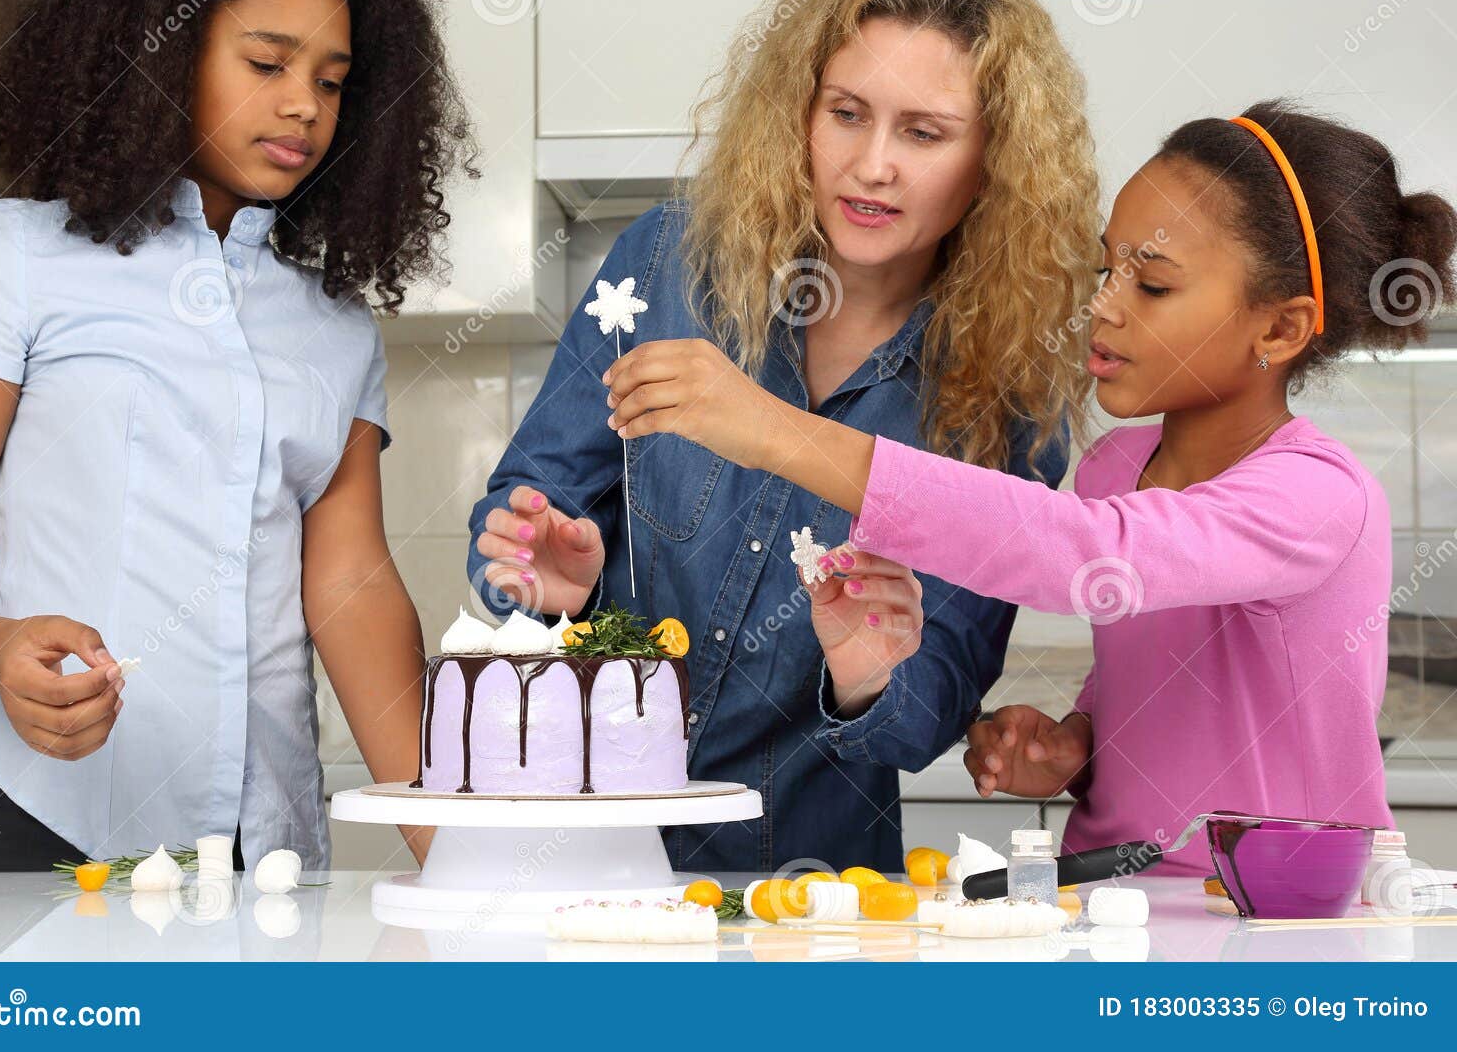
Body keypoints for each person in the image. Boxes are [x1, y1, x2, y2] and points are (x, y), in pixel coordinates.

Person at [604, 100, 1456, 874]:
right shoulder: (1119, 468)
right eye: (1107, 269)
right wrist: (1081, 746)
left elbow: (1089, 553)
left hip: (1281, 916)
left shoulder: (1317, 495)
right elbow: (1163, 676)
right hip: (1115, 891)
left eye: (1152, 284)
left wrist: (777, 431)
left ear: (1281, 326)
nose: (1106, 308)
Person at [0, 0, 473, 871]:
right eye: (267, 62)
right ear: (161, 52)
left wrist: (455, 848)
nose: (302, 105)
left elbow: (352, 590)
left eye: (332, 80)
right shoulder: (16, 258)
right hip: (38, 822)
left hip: (262, 848)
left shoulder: (335, 324)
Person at [472, 0, 1099, 871]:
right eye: (846, 114)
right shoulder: (667, 265)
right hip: (586, 857)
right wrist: (545, 590)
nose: (872, 165)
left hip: (810, 890)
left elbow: (929, 712)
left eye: (923, 134)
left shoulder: (1011, 388)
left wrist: (867, 669)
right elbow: (521, 512)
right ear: (798, 111)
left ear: (992, 161)